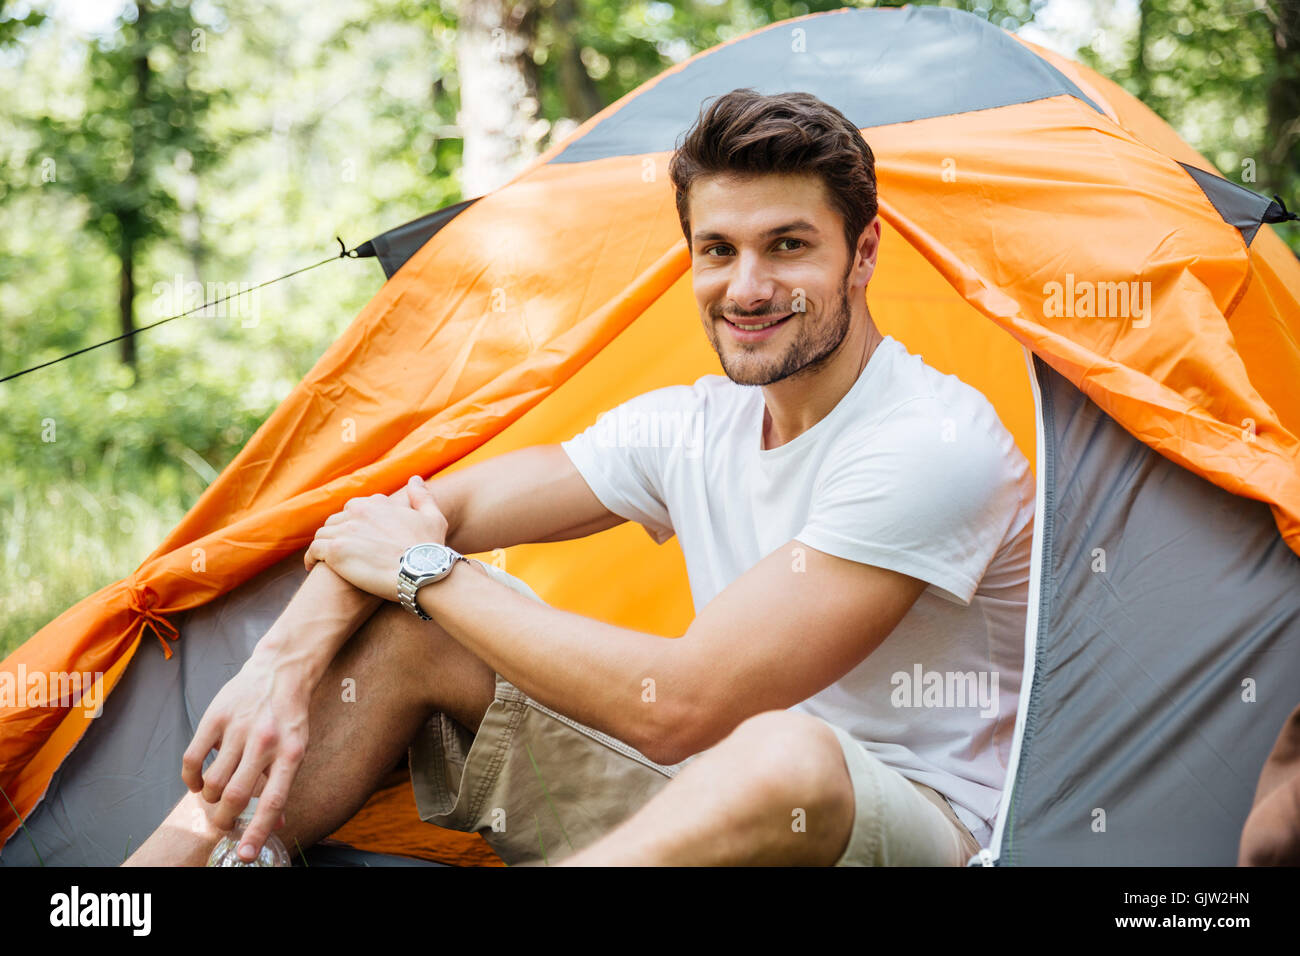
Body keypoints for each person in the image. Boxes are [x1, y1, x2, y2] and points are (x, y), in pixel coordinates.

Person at [125, 87, 1034, 867]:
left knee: (786, 753)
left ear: (863, 253)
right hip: (695, 800)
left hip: (899, 826)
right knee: (417, 636)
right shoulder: (693, 423)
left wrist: (429, 573)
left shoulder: (932, 440)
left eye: (788, 245)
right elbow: (430, 509)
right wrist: (278, 667)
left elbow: (682, 705)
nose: (747, 286)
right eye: (718, 250)